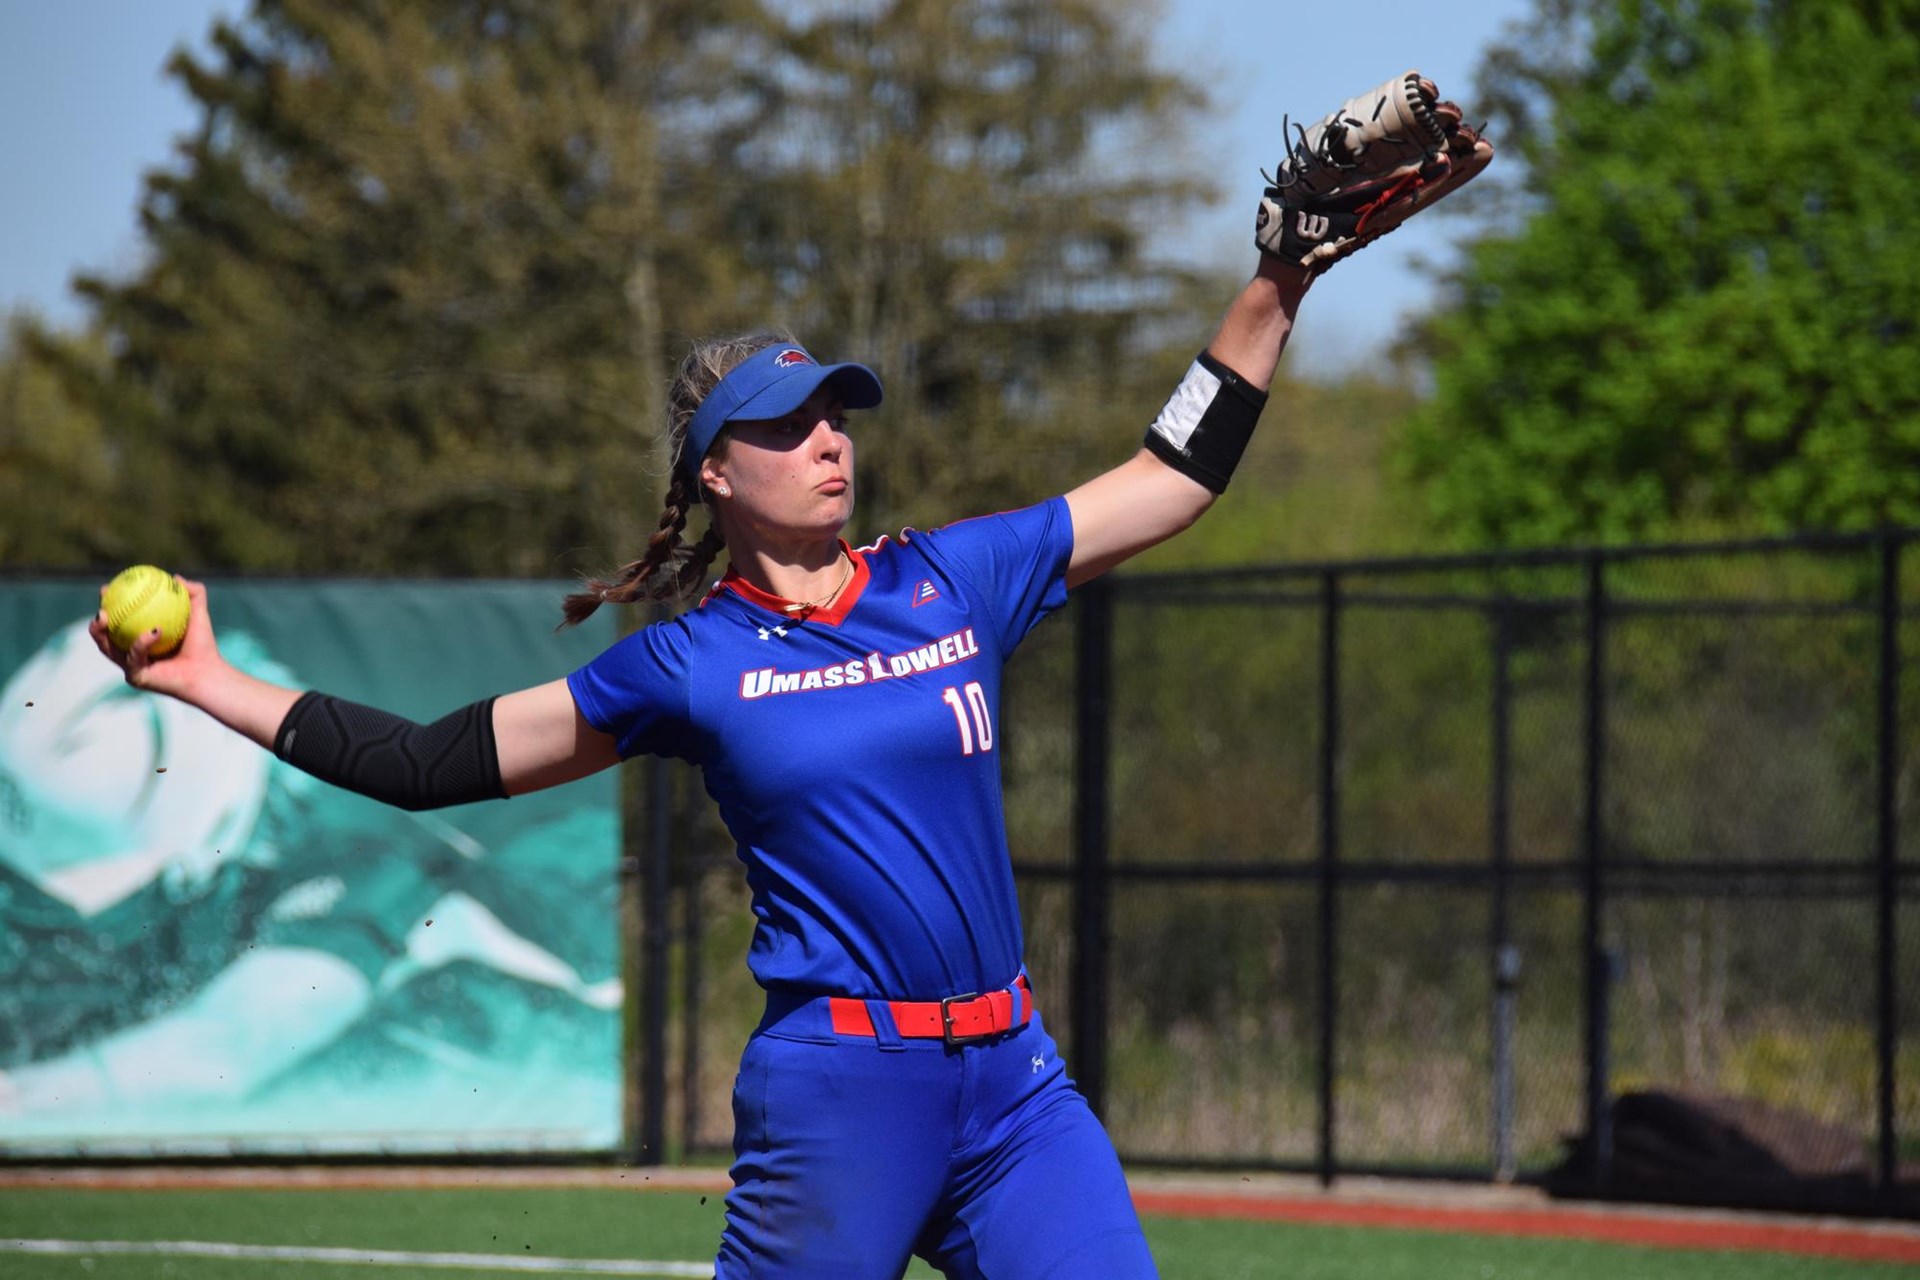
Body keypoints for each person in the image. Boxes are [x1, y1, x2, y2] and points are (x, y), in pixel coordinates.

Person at [92, 77, 1489, 1277]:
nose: (826, 437)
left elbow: (1172, 476)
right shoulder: (688, 665)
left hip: (1015, 1089)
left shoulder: (952, 578)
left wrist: (1278, 282)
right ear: (715, 471)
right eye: (784, 421)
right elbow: (423, 764)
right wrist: (207, 680)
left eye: (834, 410)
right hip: (842, 1098)